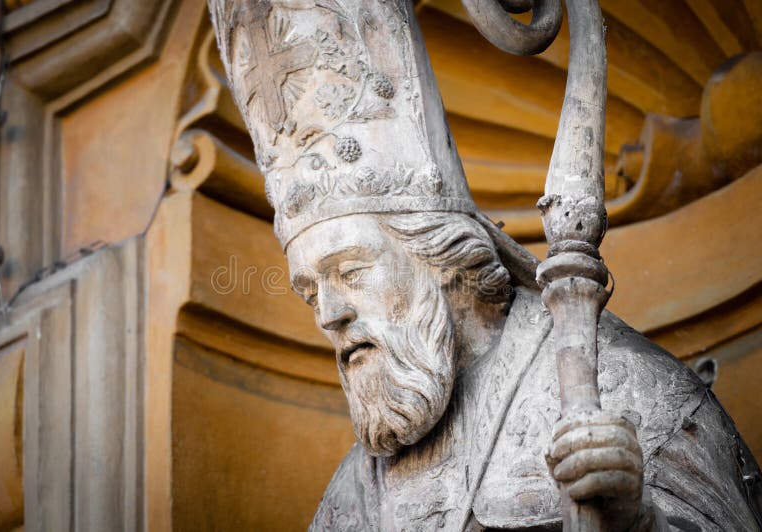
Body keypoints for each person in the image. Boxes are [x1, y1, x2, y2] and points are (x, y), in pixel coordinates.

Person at [207, 0, 762, 529]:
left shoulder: (628, 392)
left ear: (440, 258)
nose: (328, 315)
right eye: (310, 292)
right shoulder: (360, 487)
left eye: (350, 273)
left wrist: (636, 521)